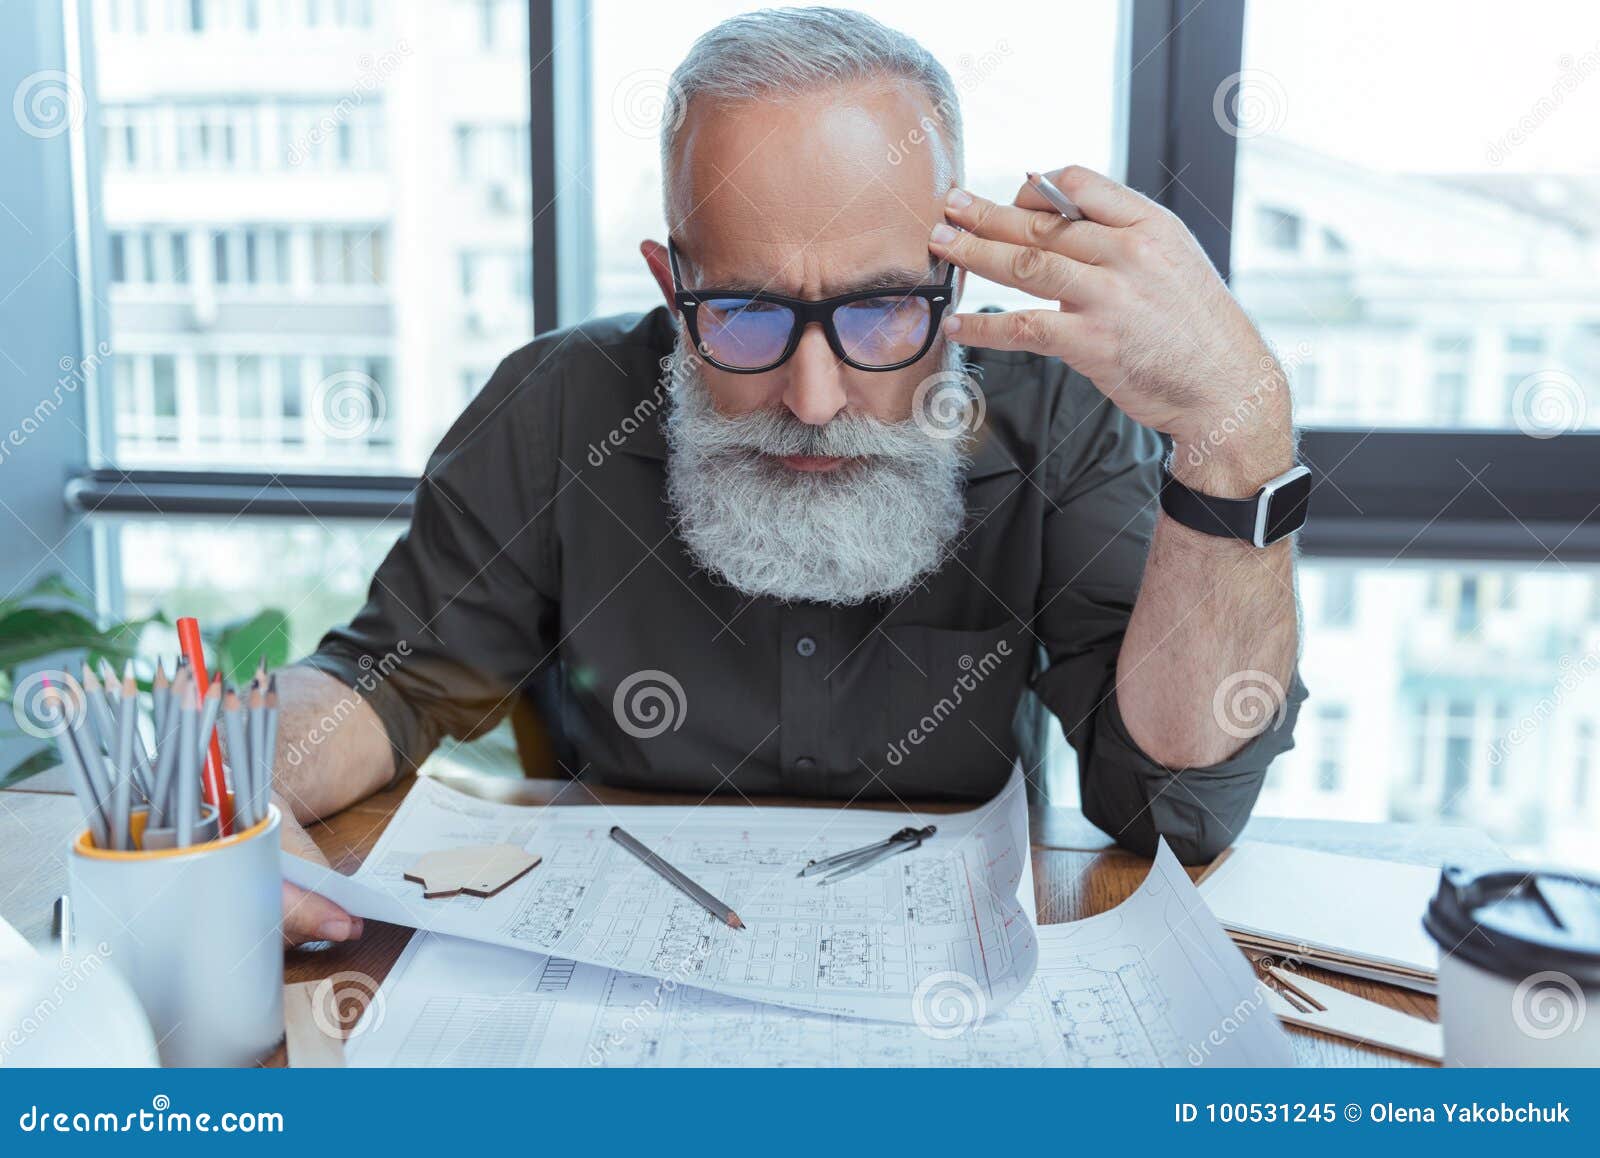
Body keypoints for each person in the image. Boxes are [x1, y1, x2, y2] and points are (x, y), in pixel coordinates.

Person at [272, 7, 1306, 946]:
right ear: (671, 283)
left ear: (958, 276)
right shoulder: (557, 407)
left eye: (883, 309)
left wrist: (1236, 432)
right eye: (744, 311)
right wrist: (227, 788)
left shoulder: (1057, 418)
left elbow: (1175, 806)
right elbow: (385, 685)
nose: (813, 399)